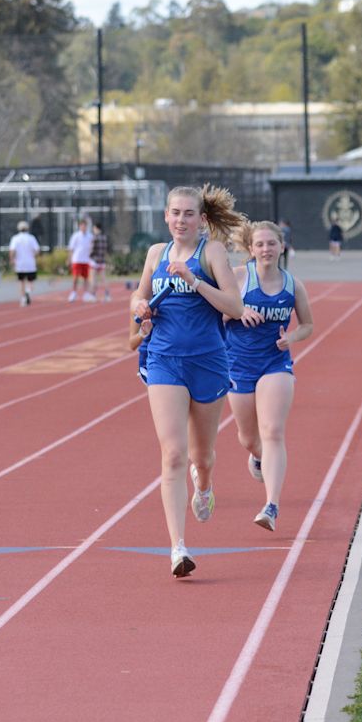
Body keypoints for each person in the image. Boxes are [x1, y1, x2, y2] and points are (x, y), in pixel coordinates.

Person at [131, 185, 245, 578]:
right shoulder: (155, 254)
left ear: (201, 219)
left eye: (188, 214)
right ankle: (178, 548)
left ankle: (205, 485)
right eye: (175, 213)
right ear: (166, 216)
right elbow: (138, 297)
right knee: (174, 454)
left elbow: (235, 307)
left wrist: (194, 281)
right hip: (164, 361)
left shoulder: (212, 253)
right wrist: (140, 307)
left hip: (208, 362)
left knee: (202, 455)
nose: (181, 220)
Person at [225, 220, 315, 532]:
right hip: (238, 366)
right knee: (249, 438)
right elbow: (212, 314)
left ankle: (271, 506)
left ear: (281, 246)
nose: (266, 249)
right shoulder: (238, 277)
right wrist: (238, 311)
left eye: (272, 243)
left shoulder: (293, 285)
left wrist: (292, 338)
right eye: (260, 244)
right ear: (251, 249)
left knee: (273, 431)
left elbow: (307, 325)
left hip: (275, 364)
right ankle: (258, 457)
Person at [9, 220, 41, 306]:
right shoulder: (31, 238)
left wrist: (12, 260)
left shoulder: (15, 238)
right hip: (30, 263)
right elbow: (37, 250)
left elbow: (12, 250)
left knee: (21, 281)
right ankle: (28, 291)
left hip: (20, 263)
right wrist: (33, 256)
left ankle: (23, 298)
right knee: (31, 281)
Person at [67, 216, 93, 303]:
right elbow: (71, 248)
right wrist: (69, 259)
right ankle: (74, 293)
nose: (83, 227)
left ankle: (86, 293)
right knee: (75, 278)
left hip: (86, 260)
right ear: (79, 226)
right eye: (82, 225)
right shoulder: (76, 236)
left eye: (85, 225)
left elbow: (92, 248)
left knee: (86, 278)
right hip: (77, 260)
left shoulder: (90, 236)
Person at [90, 222, 111, 302]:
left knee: (93, 279)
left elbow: (92, 250)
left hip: (95, 261)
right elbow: (106, 249)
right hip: (102, 260)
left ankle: (93, 295)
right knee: (104, 279)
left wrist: (90, 256)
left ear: (96, 228)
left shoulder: (94, 238)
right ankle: (107, 294)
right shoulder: (104, 237)